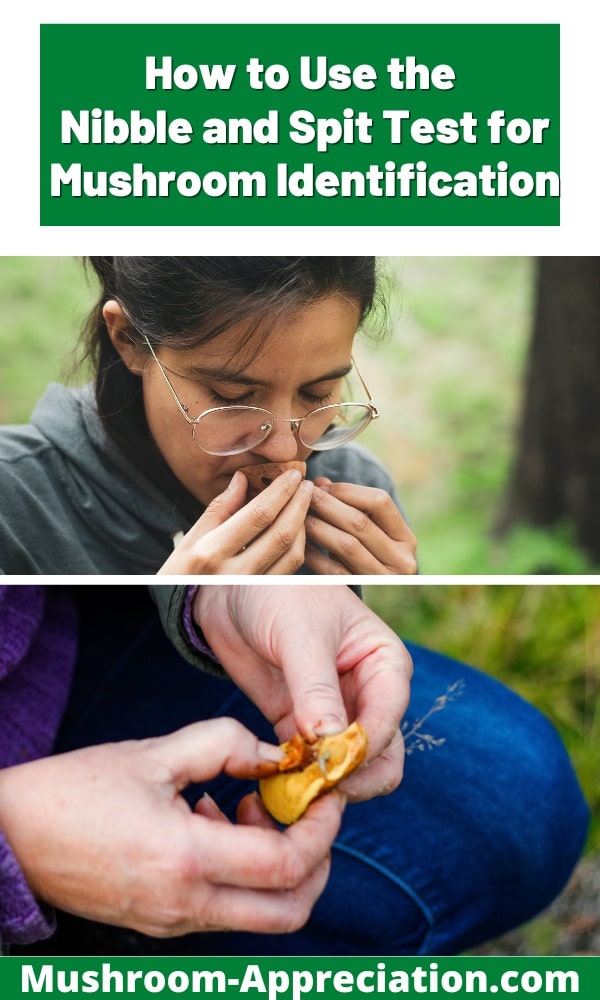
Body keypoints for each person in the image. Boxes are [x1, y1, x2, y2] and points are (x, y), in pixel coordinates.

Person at [0, 583, 590, 956]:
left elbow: (78, 482)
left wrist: (226, 576)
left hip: (55, 645)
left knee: (511, 795)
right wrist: (20, 841)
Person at [0, 257, 416, 575]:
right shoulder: (15, 509)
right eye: (231, 396)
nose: (286, 450)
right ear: (128, 340)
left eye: (317, 393)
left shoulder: (360, 496)